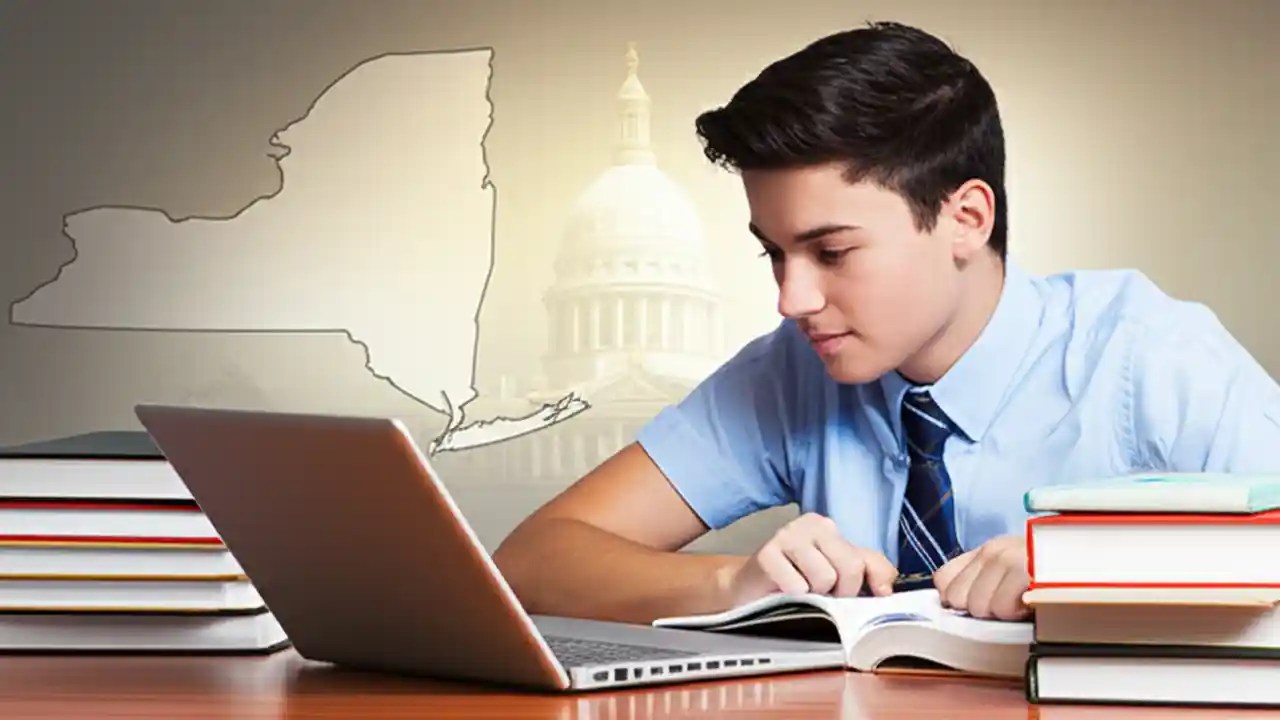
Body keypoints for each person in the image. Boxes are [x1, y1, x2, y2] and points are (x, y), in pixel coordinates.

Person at [492, 21, 1280, 625]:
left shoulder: (1148, 353)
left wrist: (1091, 566)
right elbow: (532, 559)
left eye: (832, 251)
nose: (791, 299)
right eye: (774, 254)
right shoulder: (792, 370)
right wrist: (738, 583)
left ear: (965, 218)